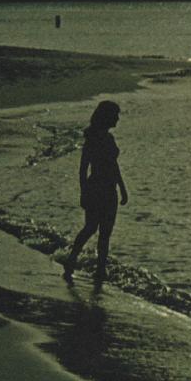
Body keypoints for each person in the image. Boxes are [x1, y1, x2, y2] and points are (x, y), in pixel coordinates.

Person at [62, 100, 128, 289]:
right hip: (96, 188)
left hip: (110, 190)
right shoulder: (92, 139)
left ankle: (100, 270)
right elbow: (83, 169)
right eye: (115, 115)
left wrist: (123, 188)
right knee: (90, 228)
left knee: (105, 233)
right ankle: (72, 259)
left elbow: (114, 165)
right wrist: (83, 193)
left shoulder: (109, 139)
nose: (117, 118)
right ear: (106, 116)